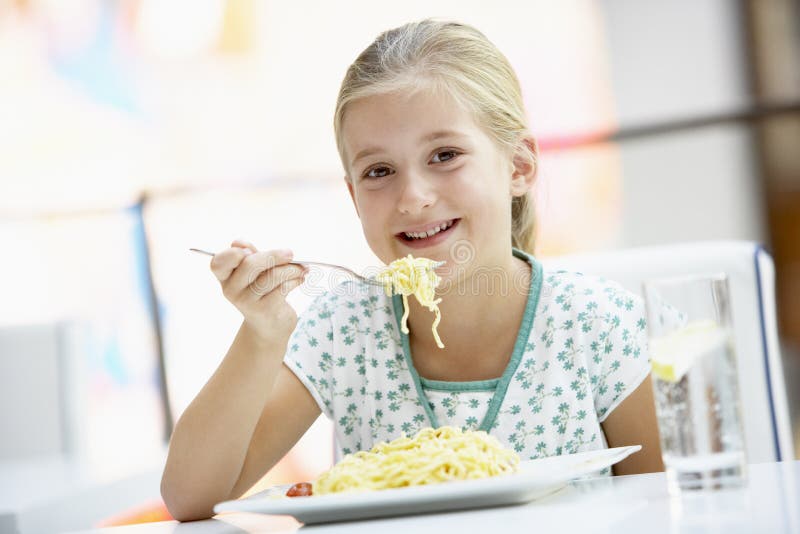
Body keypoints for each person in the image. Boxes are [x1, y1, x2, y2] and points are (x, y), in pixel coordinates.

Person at [160, 19, 663, 521]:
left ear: (518, 167)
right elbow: (190, 497)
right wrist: (262, 334)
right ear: (354, 196)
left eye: (444, 156)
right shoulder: (345, 331)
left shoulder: (597, 325)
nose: (413, 198)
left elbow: (673, 504)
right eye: (379, 171)